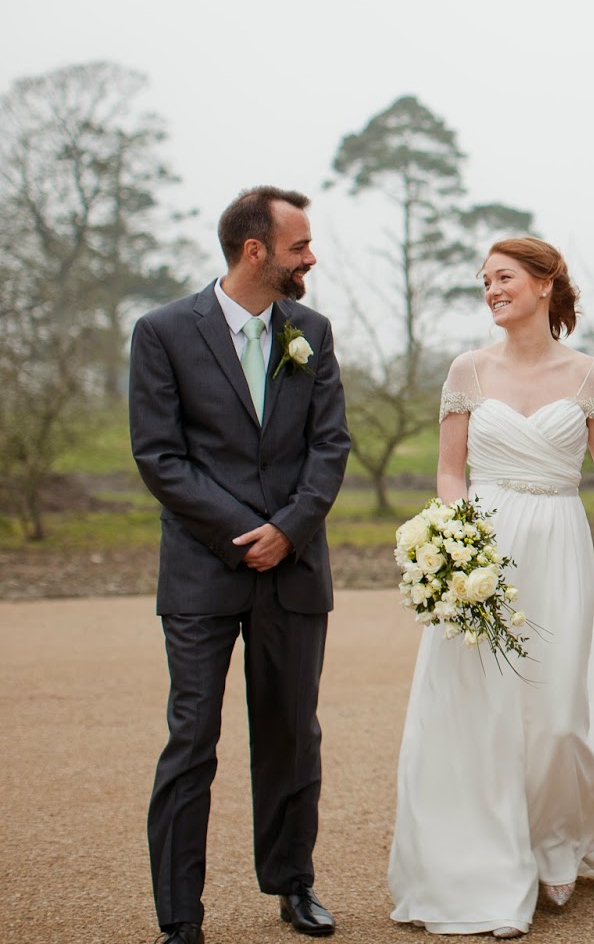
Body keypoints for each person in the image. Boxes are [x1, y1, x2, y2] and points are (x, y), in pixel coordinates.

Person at [388, 237, 594, 938]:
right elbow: (451, 470)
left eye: (503, 278)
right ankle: (482, 859)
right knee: (479, 711)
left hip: (559, 544)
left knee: (555, 711)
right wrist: (452, 543)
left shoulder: (590, 375)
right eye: (485, 281)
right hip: (483, 545)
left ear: (545, 284)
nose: (492, 290)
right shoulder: (467, 371)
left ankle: (555, 841)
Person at [130, 187, 351, 943]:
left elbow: (331, 447)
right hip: (201, 573)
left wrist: (288, 531)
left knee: (292, 734)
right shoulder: (161, 332)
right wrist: (245, 531)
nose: (310, 258)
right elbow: (159, 456)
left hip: (292, 574)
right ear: (255, 251)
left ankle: (295, 886)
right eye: (299, 247)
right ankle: (179, 917)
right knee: (191, 739)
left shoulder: (312, 332)